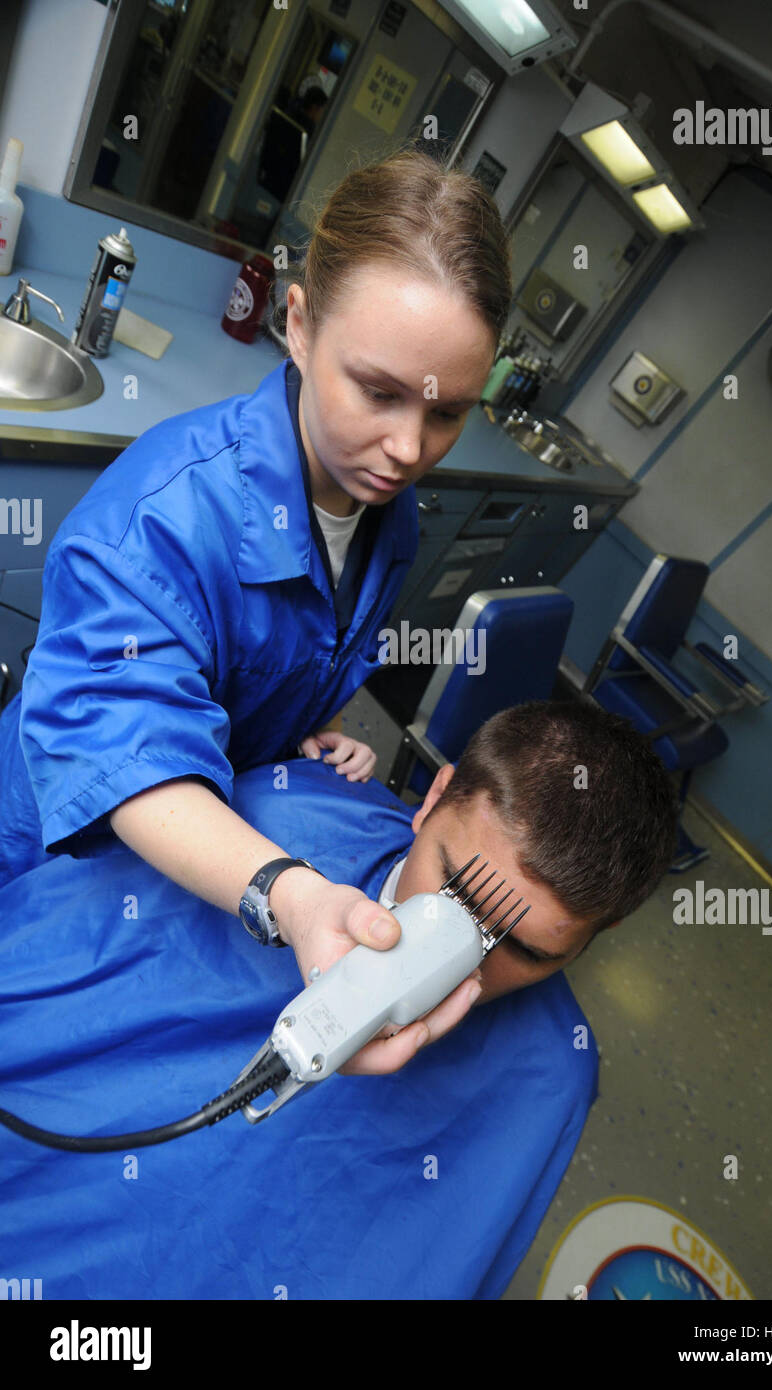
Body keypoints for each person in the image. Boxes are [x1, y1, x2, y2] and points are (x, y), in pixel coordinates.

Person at [0, 148, 511, 1074]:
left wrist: (316, 722)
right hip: (49, 846)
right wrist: (292, 895)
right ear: (302, 325)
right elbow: (126, 751)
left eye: (445, 414)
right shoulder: (160, 521)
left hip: (196, 855)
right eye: (378, 391)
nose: (406, 449)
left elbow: (296, 647)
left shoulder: (387, 519)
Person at [0, 698, 678, 1299]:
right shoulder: (274, 818)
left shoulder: (550, 1076)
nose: (458, 960)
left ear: (599, 936)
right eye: (454, 890)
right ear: (435, 794)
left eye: (526, 950)